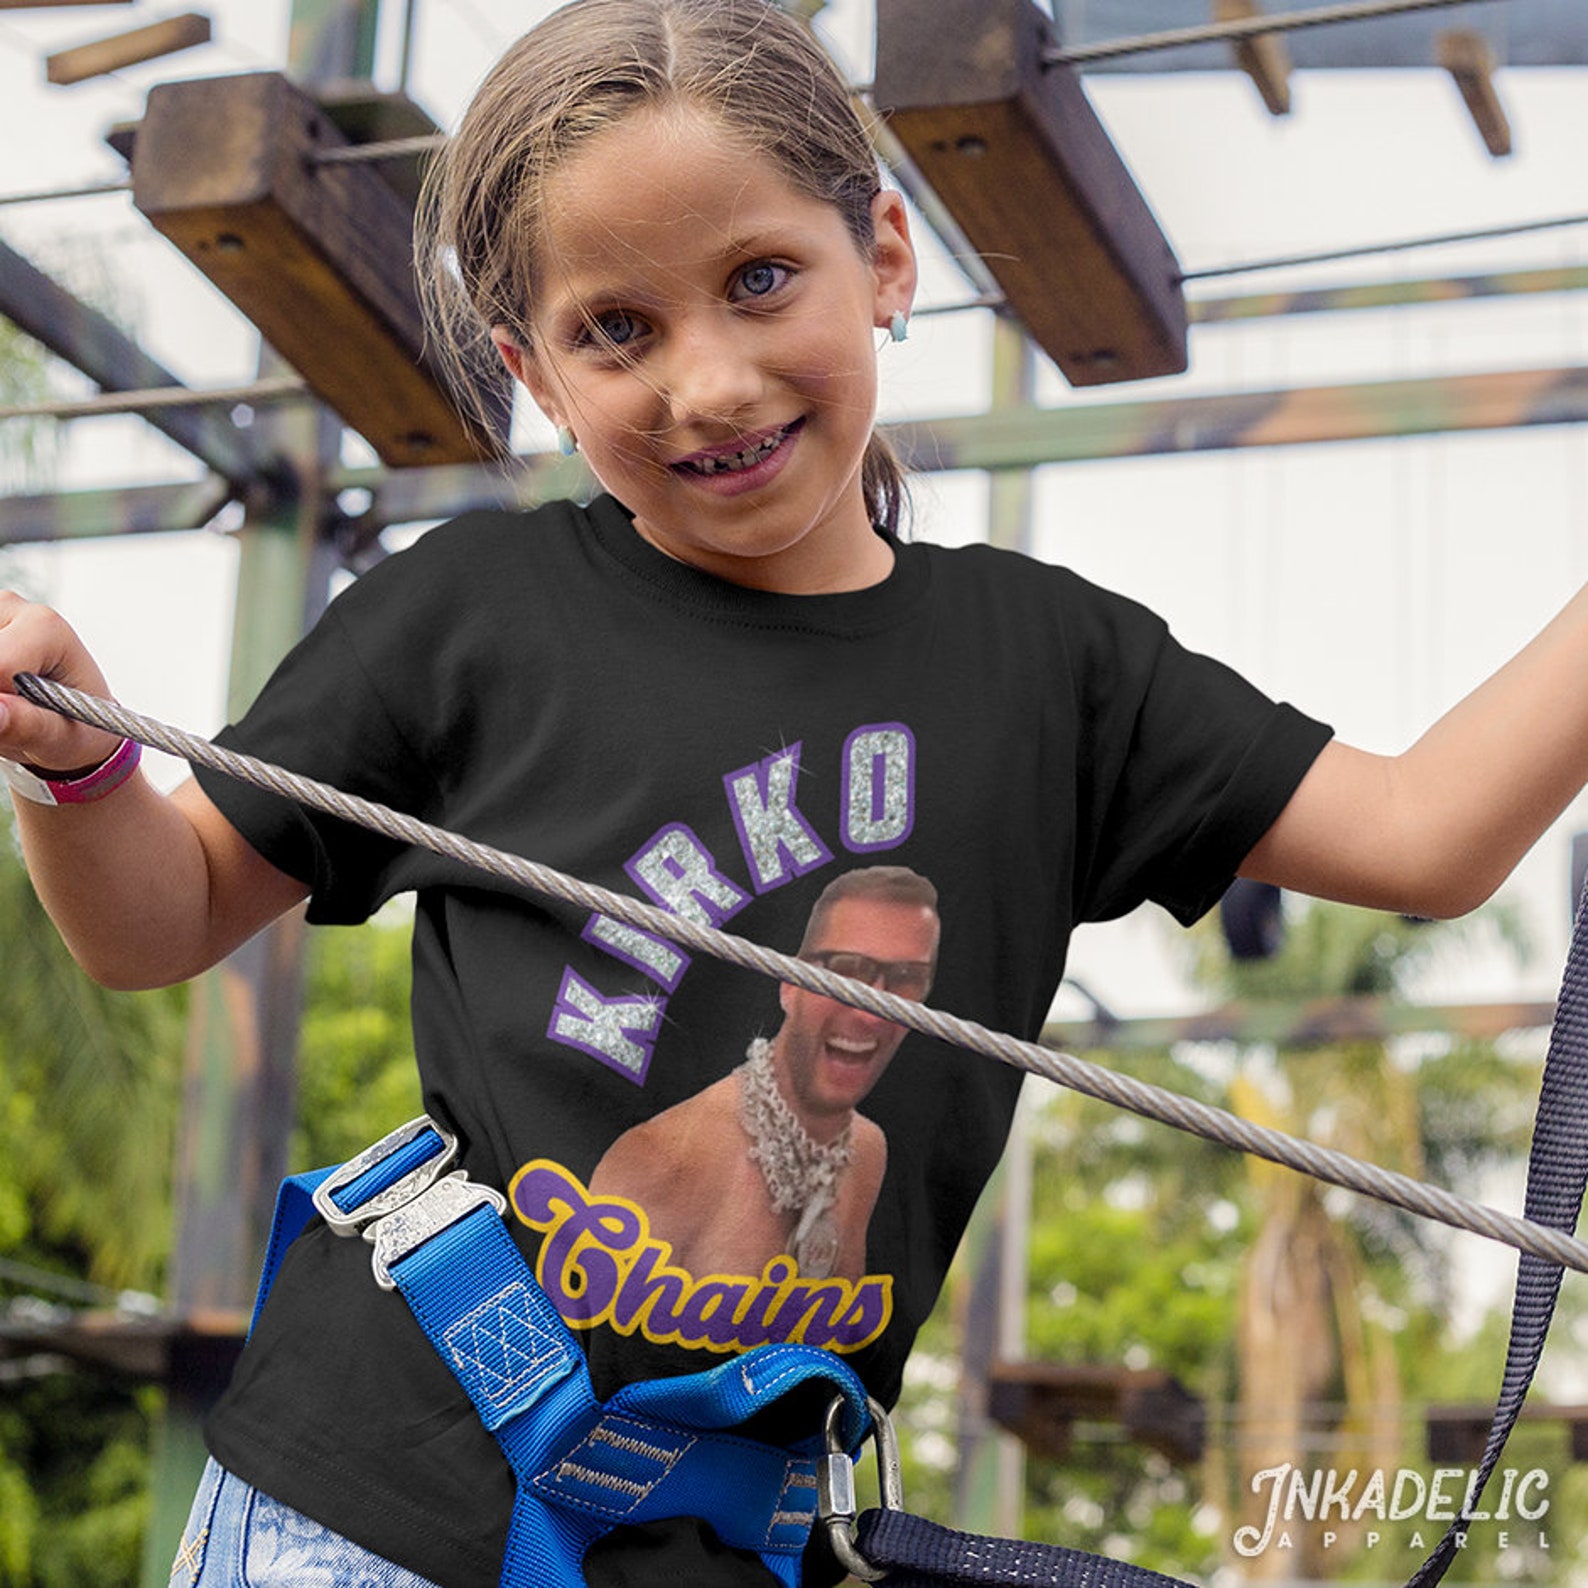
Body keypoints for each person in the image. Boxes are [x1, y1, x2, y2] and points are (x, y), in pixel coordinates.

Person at [1, 0, 1586, 1582]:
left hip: (735, 1537)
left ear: (885, 256)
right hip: (376, 1500)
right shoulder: (478, 608)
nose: (710, 381)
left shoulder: (1049, 666)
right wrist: (84, 770)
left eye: (762, 281)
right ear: (532, 373)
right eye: (615, 330)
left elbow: (1424, 835)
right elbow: (169, 914)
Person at [590, 866, 939, 1281]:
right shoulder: (665, 1158)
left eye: (905, 979)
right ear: (790, 983)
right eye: (848, 969)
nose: (872, 1012)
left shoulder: (868, 1151)